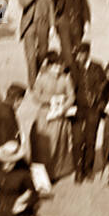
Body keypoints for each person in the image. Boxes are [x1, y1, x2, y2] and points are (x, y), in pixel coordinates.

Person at [30, 52, 76, 182]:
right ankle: (46, 174)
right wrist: (51, 99)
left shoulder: (65, 79)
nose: (57, 69)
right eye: (55, 66)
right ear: (49, 66)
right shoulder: (42, 79)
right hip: (46, 116)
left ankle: (58, 170)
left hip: (60, 116)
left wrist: (64, 107)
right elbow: (36, 96)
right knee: (46, 145)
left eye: (59, 66)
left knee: (61, 144)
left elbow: (71, 96)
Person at [70, 41, 108, 182]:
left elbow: (104, 85)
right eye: (77, 55)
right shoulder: (73, 69)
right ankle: (78, 171)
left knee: (90, 140)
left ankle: (88, 169)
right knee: (77, 141)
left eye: (80, 54)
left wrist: (97, 97)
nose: (78, 57)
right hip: (77, 109)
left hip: (93, 109)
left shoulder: (97, 68)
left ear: (87, 54)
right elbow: (69, 88)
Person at [51, 0, 91, 74]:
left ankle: (66, 70)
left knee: (77, 49)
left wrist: (87, 22)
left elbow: (85, 7)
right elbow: (52, 9)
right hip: (63, 25)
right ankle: (72, 74)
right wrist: (53, 26)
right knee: (67, 50)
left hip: (78, 25)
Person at [17, 0, 53, 89]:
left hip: (43, 24)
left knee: (43, 53)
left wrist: (52, 26)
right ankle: (33, 84)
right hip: (29, 26)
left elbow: (50, 8)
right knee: (30, 56)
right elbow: (23, 3)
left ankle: (37, 72)